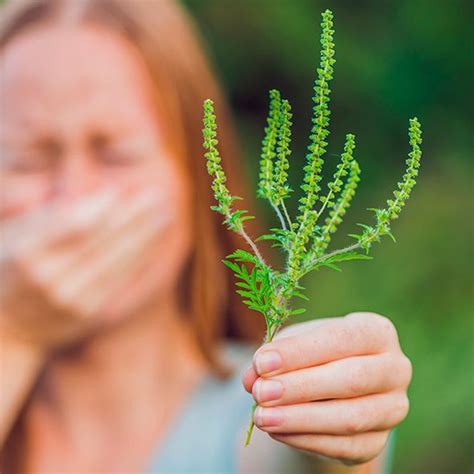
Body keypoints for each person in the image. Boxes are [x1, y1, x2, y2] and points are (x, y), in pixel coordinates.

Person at [0, 0, 412, 472]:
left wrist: (336, 415)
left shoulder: (244, 417)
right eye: (28, 158)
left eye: (117, 154)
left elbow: (299, 456)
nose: (73, 202)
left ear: (199, 179)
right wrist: (10, 331)